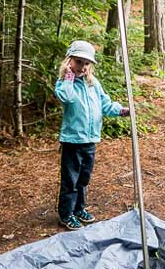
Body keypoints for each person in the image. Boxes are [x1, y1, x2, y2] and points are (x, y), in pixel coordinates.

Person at [53, 40, 129, 230]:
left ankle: (79, 208)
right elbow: (67, 97)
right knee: (70, 179)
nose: (82, 67)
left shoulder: (93, 84)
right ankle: (66, 213)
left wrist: (120, 110)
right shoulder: (64, 83)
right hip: (72, 140)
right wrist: (69, 77)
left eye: (86, 64)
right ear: (69, 61)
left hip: (90, 140)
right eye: (78, 62)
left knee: (84, 178)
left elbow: (105, 105)